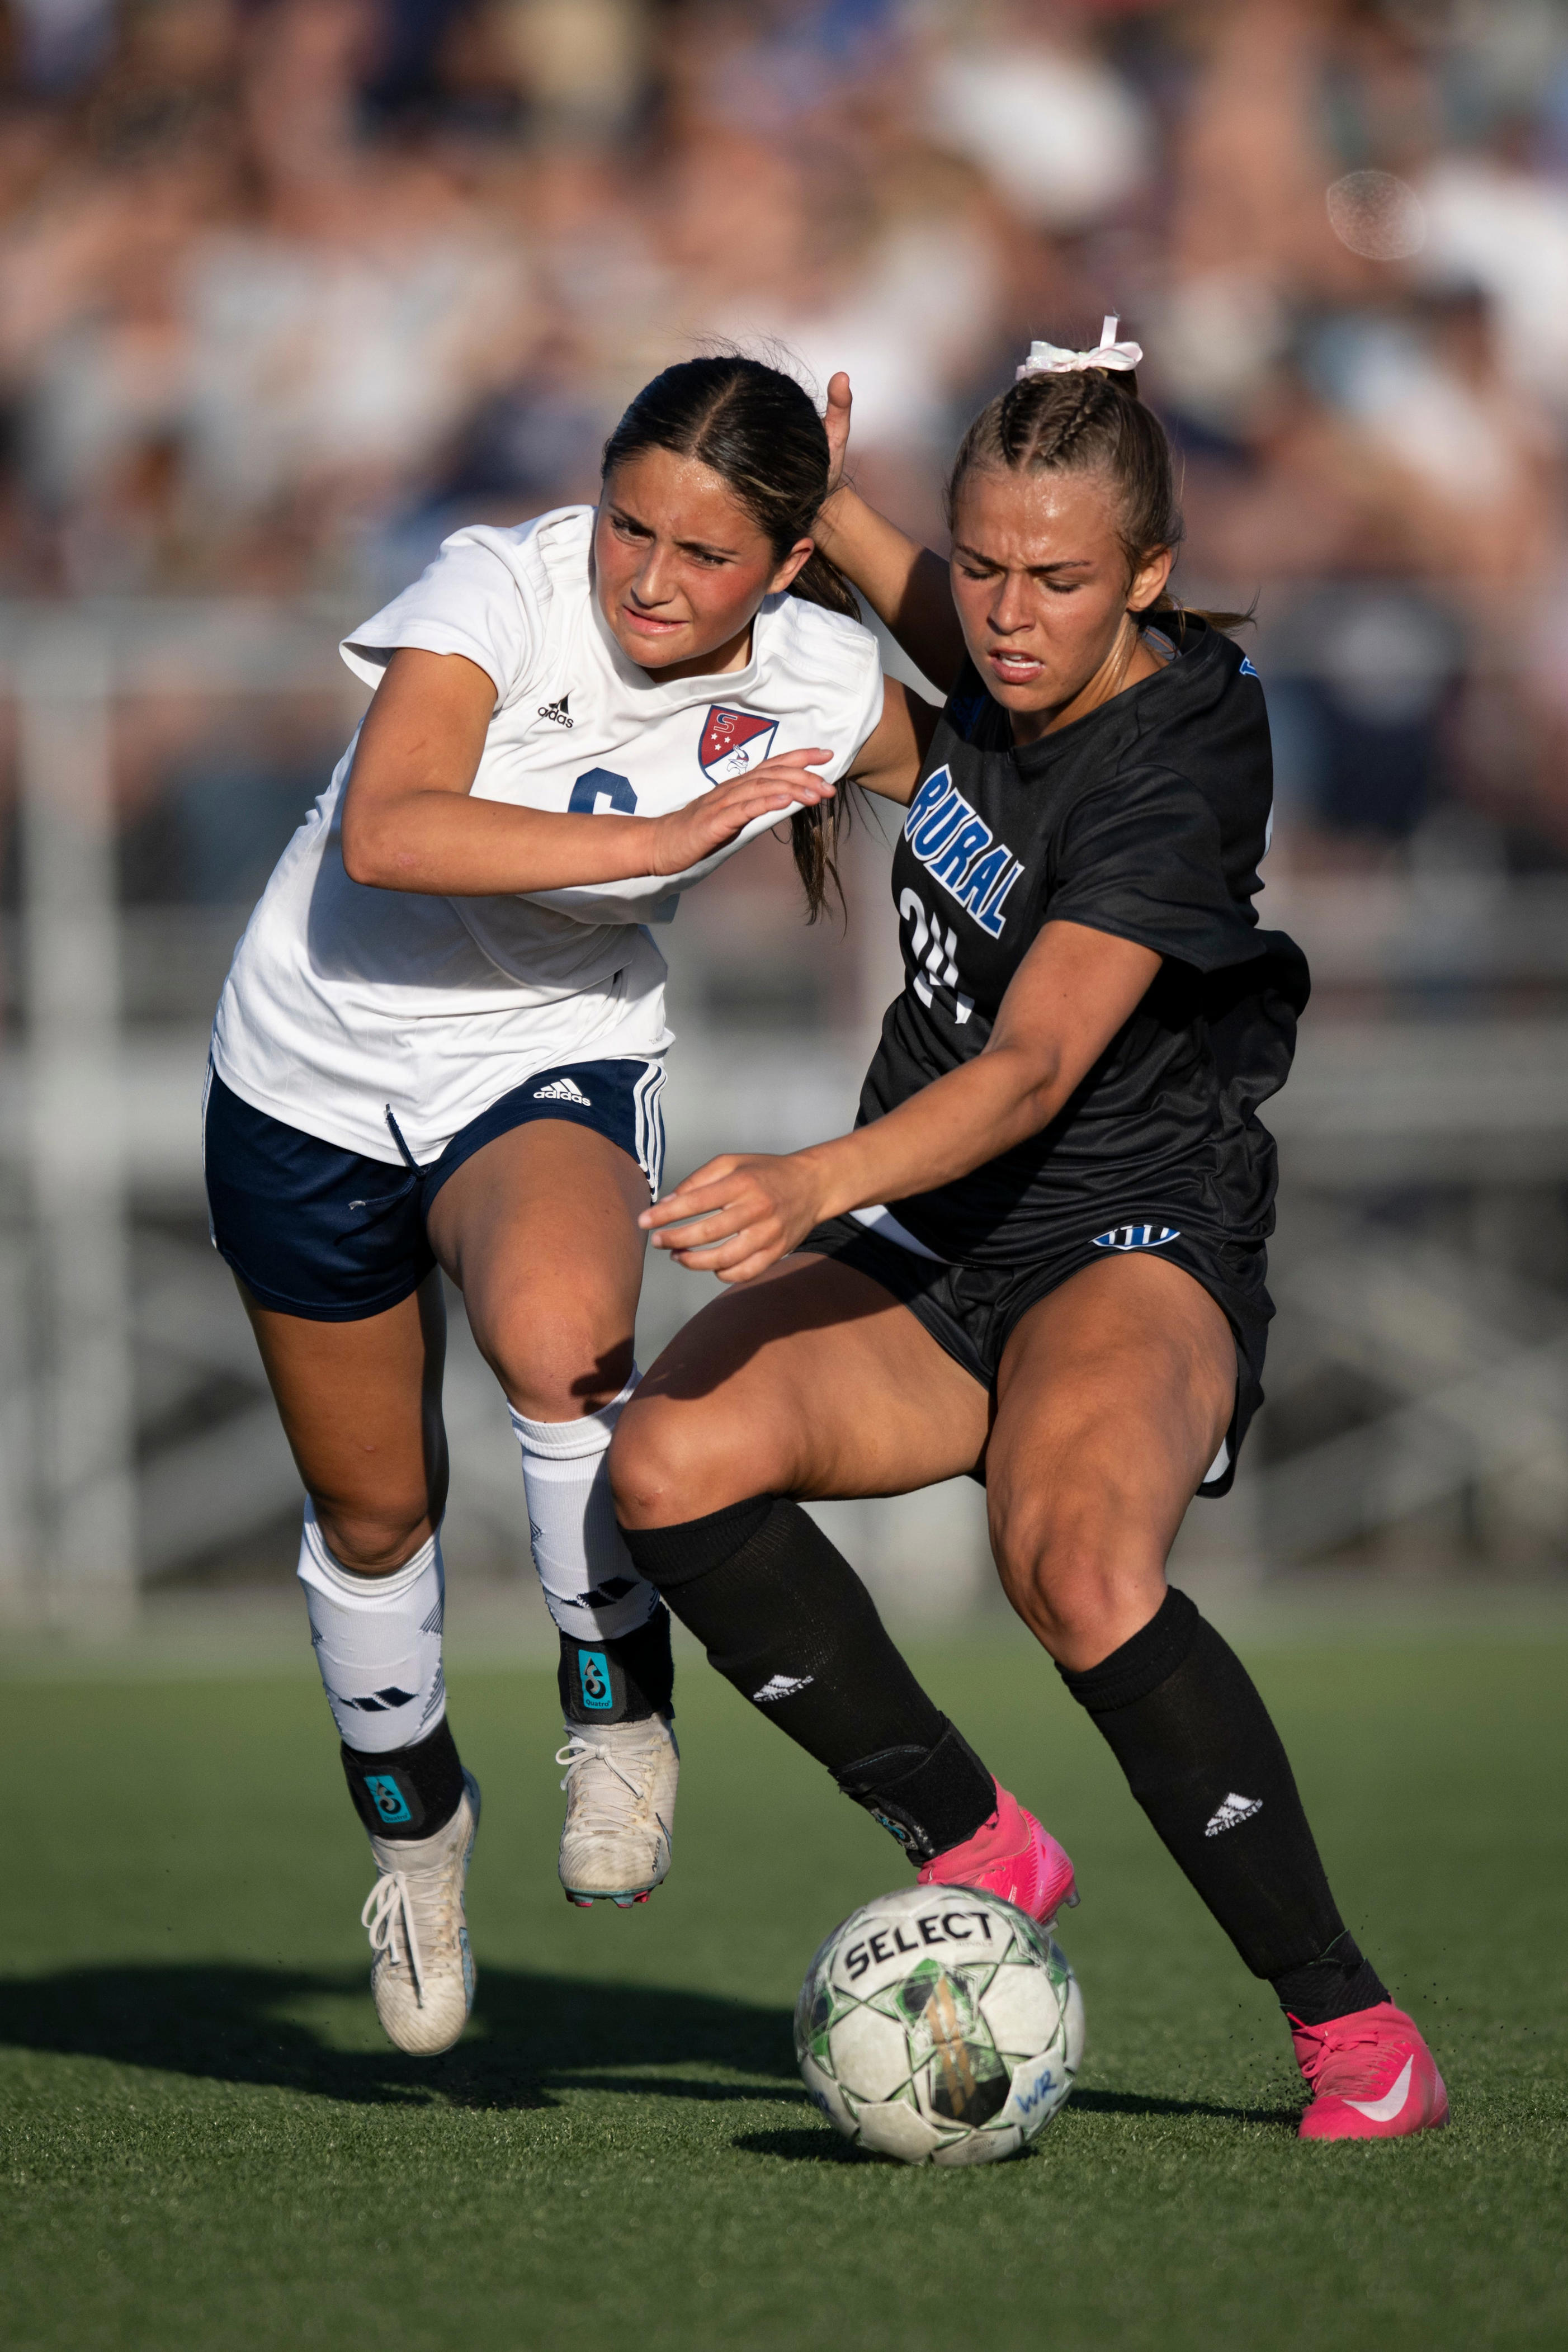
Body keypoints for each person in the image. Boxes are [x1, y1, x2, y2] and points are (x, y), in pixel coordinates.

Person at [608, 325, 1448, 2142]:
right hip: (938, 1242)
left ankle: (1349, 2029)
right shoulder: (995, 646)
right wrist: (815, 496)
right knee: (667, 1464)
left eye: (1058, 578)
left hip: (1124, 1228)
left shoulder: (1177, 757)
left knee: (1068, 1562)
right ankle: (973, 1836)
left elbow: (1036, 1066)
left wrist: (806, 1187)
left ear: (1144, 578)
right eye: (979, 564)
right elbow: (875, 558)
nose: (1002, 611)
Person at [203, 356, 933, 2055]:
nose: (649, 578)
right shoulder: (498, 587)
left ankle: (616, 1714)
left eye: (705, 552)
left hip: (543, 1056)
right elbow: (385, 832)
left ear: (785, 565)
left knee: (562, 1346)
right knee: (374, 1514)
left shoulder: (823, 680)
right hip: (304, 1073)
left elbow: (999, 772)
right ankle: (417, 1837)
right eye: (628, 526)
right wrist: (663, 834)